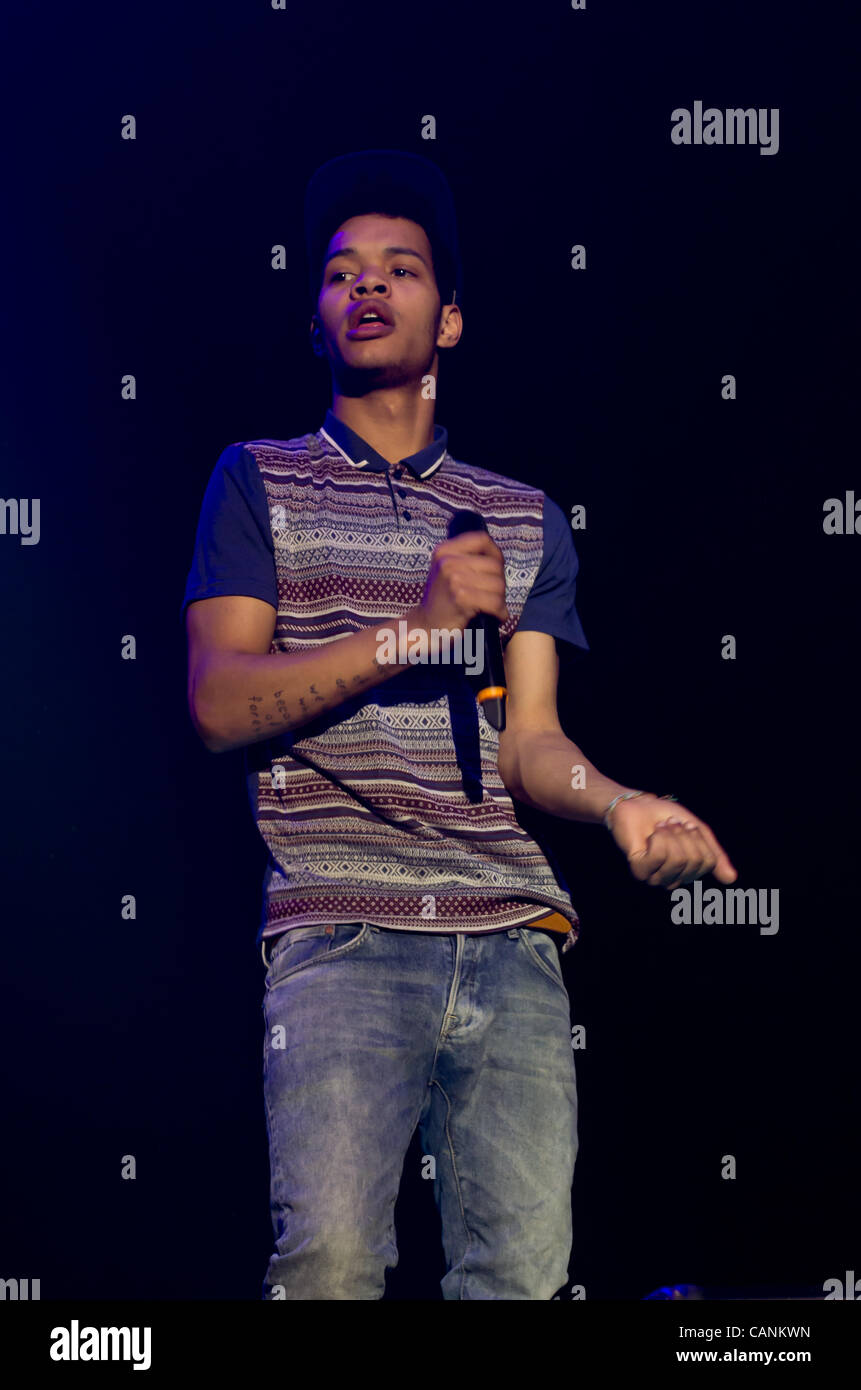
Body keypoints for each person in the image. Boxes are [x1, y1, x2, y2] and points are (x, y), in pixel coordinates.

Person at [181, 149, 737, 1300]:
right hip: (339, 935)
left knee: (521, 1283)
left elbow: (534, 745)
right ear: (317, 313)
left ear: (453, 316)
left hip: (513, 936)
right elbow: (219, 702)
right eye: (340, 273)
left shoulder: (524, 518)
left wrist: (620, 801)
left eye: (400, 269)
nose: (368, 288)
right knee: (328, 1269)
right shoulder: (258, 481)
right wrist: (414, 630)